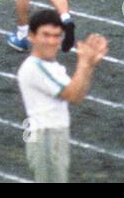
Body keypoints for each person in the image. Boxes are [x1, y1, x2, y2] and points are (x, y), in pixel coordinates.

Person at [16, 10, 109, 183]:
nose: (52, 41)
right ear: (31, 36)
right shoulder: (36, 68)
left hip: (53, 135)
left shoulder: (49, 66)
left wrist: (88, 66)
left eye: (57, 36)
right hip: (45, 137)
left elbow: (77, 94)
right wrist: (83, 62)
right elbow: (72, 94)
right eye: (46, 35)